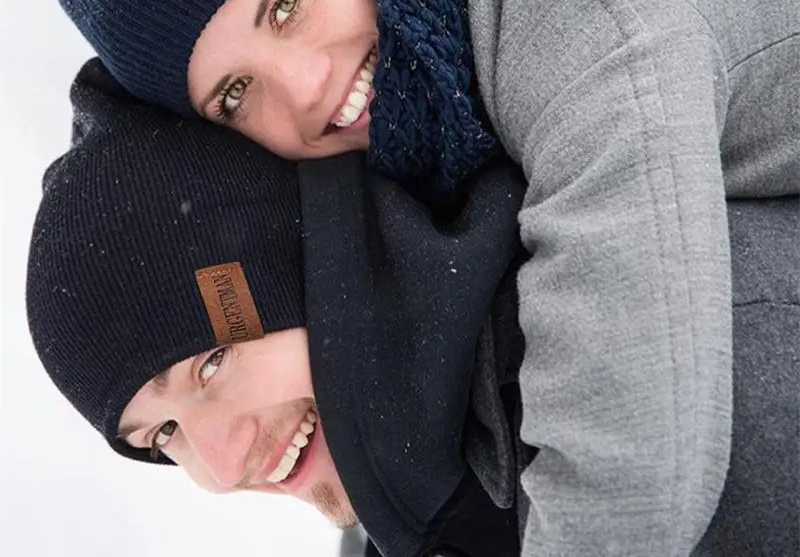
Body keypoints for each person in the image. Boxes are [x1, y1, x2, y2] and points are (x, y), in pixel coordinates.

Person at [22, 0, 800, 556]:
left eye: (288, 3)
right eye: (233, 94)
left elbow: (631, 457)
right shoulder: (434, 121)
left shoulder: (571, 29)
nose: (305, 88)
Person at [28, 59, 799, 557]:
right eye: (161, 435)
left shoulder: (713, 344)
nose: (223, 468)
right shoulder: (396, 516)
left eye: (212, 362)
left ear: (316, 257)